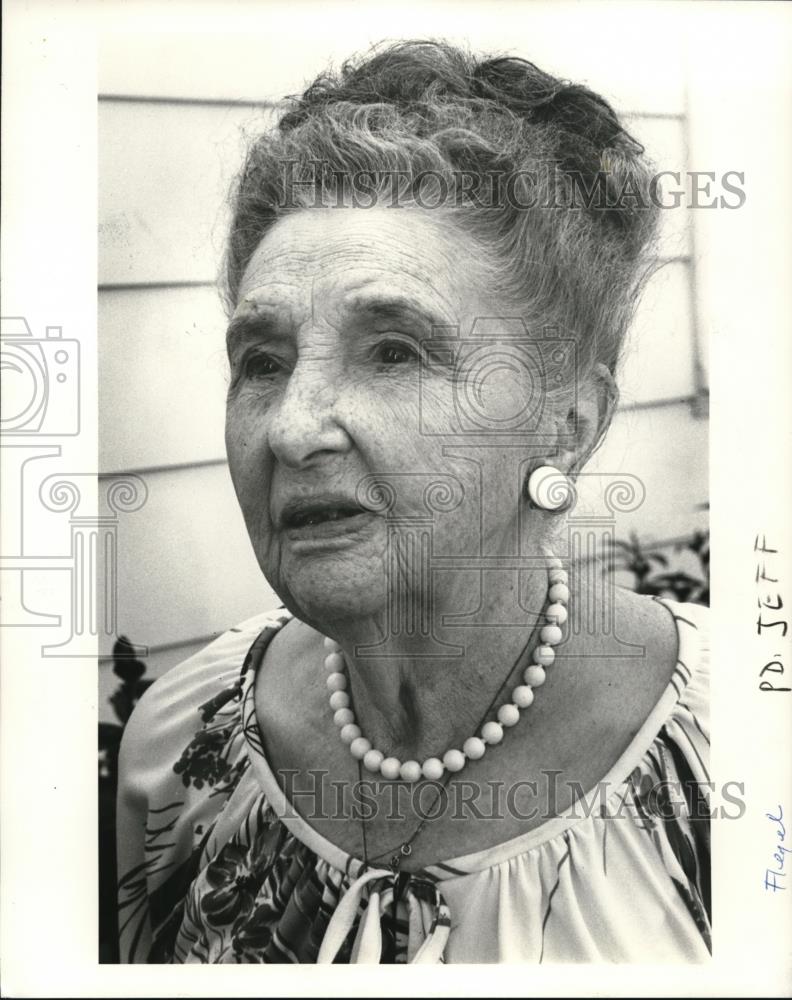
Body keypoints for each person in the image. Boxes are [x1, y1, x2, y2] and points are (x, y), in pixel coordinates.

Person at [116, 40, 710, 964]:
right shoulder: (181, 744)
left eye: (393, 351)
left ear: (568, 423)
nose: (292, 428)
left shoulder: (741, 757)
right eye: (263, 362)